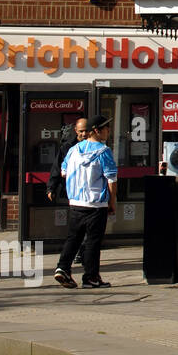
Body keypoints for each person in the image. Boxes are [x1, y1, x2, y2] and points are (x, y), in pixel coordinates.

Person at [54, 115, 117, 289]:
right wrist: (112, 202)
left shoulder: (74, 150)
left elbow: (63, 172)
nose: (108, 131)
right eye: (106, 128)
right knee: (93, 241)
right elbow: (111, 179)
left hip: (76, 202)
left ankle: (63, 267)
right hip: (96, 203)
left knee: (73, 238)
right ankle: (90, 277)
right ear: (96, 130)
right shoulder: (104, 151)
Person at [47, 117, 87, 205]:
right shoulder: (67, 147)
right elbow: (57, 168)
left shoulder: (96, 147)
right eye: (81, 131)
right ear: (76, 130)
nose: (84, 134)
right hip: (70, 189)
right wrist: (51, 188)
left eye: (86, 130)